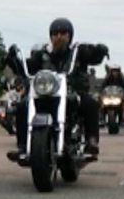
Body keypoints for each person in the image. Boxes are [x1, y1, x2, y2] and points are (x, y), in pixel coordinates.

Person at [7, 18, 108, 158]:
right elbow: (26, 69)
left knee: (90, 103)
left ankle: (92, 141)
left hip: (74, 92)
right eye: (55, 34)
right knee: (23, 106)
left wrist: (100, 51)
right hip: (46, 95)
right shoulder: (42, 54)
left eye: (63, 33)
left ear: (70, 36)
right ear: (51, 36)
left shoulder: (78, 51)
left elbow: (94, 58)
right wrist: (12, 60)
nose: (59, 37)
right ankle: (23, 146)